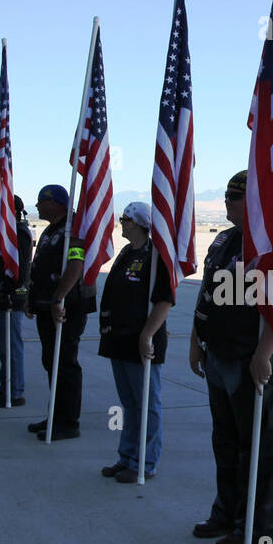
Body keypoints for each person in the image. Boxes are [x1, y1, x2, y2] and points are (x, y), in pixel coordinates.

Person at [188, 171, 273, 544]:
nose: (227, 202)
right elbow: (208, 293)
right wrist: (196, 341)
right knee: (225, 442)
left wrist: (265, 353)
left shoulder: (270, 249)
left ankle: (258, 529)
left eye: (235, 196)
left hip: (250, 360)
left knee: (258, 447)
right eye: (227, 195)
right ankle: (225, 513)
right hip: (218, 354)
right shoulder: (225, 240)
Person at [98, 202, 175, 483]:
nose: (121, 223)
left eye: (125, 219)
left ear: (139, 223)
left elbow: (164, 300)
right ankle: (127, 456)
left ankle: (146, 461)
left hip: (141, 342)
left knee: (146, 404)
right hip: (119, 339)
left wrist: (147, 334)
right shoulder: (127, 252)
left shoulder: (156, 257)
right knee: (129, 403)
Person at [25, 184, 94, 441]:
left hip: (67, 307)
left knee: (64, 363)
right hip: (47, 305)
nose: (37, 205)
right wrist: (31, 297)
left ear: (56, 203)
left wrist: (58, 297)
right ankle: (56, 414)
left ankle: (69, 422)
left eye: (41, 201)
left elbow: (76, 264)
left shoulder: (72, 230)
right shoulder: (51, 230)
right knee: (51, 361)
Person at [0, 196, 33, 408]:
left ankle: (15, 390)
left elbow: (21, 269)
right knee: (2, 346)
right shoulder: (0, 232)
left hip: (8, 299)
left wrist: (14, 293)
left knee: (11, 346)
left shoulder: (18, 234)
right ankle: (5, 384)